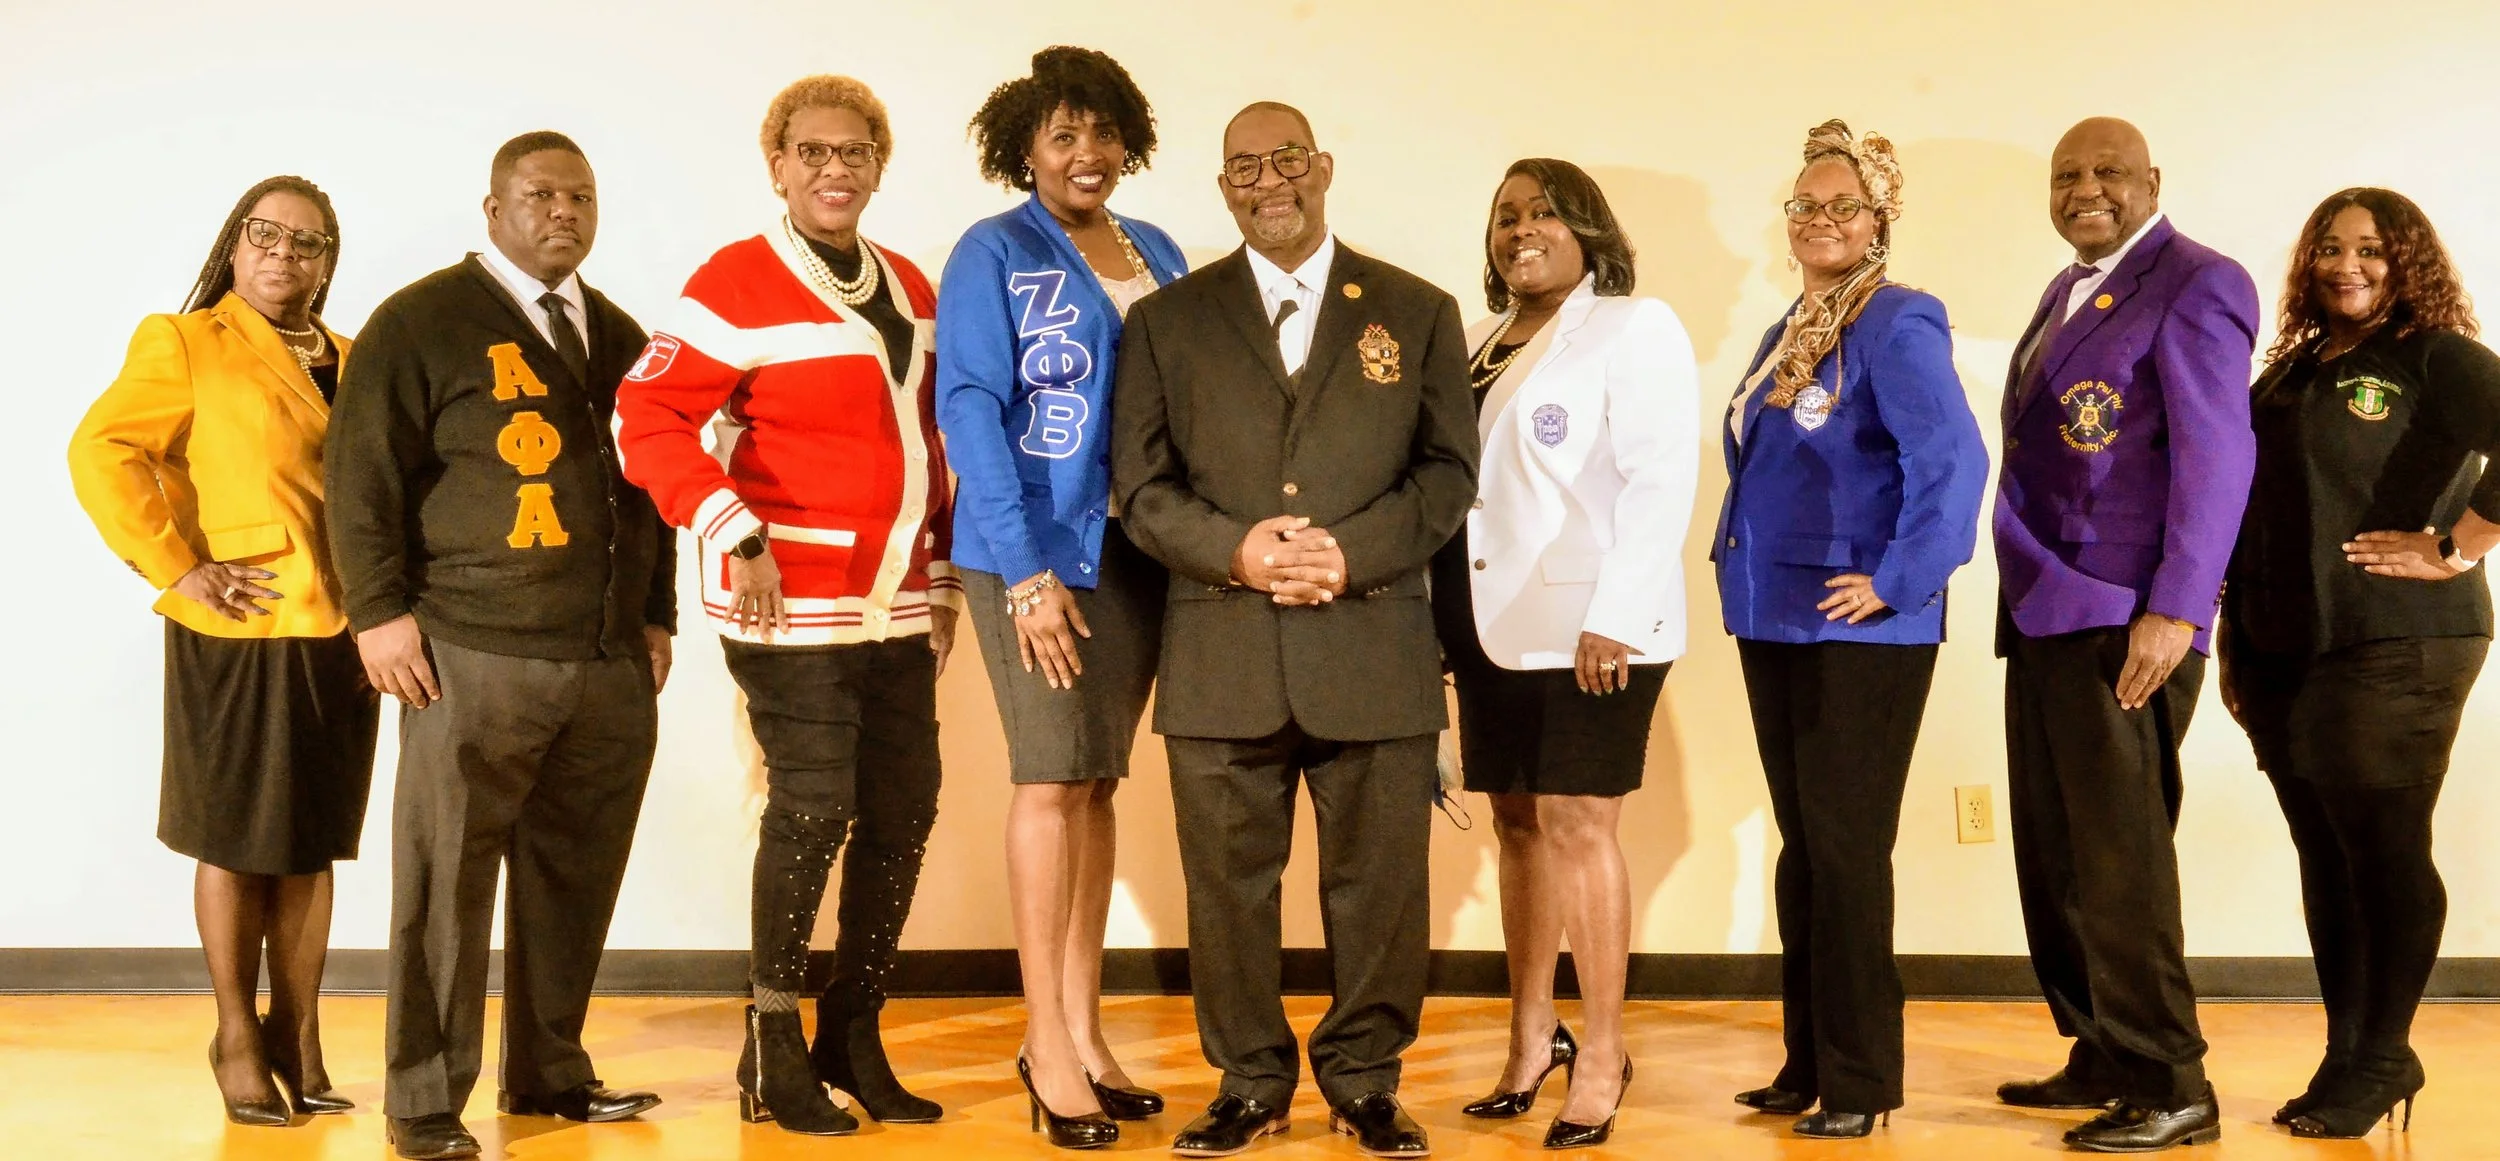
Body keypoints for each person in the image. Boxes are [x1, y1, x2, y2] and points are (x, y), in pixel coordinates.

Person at [1111, 100, 1476, 1160]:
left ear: (1321, 166)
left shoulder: (1415, 310)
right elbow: (1140, 486)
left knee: (1379, 887)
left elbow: (1449, 472)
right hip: (1220, 648)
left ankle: (1364, 1081)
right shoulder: (1166, 321)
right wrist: (1240, 550)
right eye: (1242, 169)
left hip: (1372, 644)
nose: (1267, 182)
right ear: (1223, 188)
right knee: (1227, 888)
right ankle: (1248, 1081)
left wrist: (1346, 553)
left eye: (1284, 161)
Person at [614, 75, 959, 1139]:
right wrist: (731, 528)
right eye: (811, 152)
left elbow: (932, 438)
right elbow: (647, 415)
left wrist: (940, 577)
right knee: (812, 811)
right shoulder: (736, 281)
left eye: (854, 152)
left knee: (903, 813)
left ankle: (852, 1032)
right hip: (786, 605)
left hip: (896, 608)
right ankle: (770, 1043)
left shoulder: (909, 283)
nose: (834, 170)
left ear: (877, 165)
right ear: (777, 166)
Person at [326, 132, 676, 1161]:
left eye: (580, 195)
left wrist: (655, 615)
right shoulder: (420, 322)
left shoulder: (614, 334)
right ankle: (425, 1099)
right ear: (493, 210)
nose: (562, 211)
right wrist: (378, 614)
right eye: (539, 194)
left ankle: (551, 1072)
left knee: (576, 875)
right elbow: (362, 476)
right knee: (444, 883)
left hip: (606, 660)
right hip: (468, 652)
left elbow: (648, 488)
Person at [69, 176, 377, 1128]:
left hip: (344, 628)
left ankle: (298, 1029)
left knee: (310, 845)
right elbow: (101, 448)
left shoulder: (358, 355)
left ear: (328, 261)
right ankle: (235, 1034)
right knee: (240, 840)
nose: (286, 253)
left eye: (308, 242)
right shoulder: (186, 339)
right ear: (235, 244)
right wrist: (179, 564)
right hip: (241, 626)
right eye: (267, 234)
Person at [935, 46, 1190, 1150]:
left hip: (1136, 554)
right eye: (1061, 135)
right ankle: (1045, 1045)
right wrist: (1025, 570)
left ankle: (1083, 1032)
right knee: (1048, 779)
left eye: (1100, 132)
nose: (1085, 155)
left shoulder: (1161, 248)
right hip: (1031, 553)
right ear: (1023, 149)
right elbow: (969, 404)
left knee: (1093, 785)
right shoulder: (992, 250)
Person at [1714, 122, 1988, 1140]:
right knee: (1806, 850)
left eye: (1842, 206)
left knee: (1845, 849)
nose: (1820, 220)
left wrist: (1899, 578)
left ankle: (1862, 1080)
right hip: (1773, 614)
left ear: (1879, 221)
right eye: (1804, 205)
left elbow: (1951, 462)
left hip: (1858, 630)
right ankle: (1807, 1059)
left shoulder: (1896, 320)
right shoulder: (1792, 322)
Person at [1991, 117, 2258, 1153]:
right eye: (2067, 174)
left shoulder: (2196, 280)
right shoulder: (2065, 291)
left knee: (2119, 857)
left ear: (2153, 181)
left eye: (2108, 172)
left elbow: (2216, 455)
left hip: (2124, 614)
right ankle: (2101, 1047)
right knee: (2055, 849)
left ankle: (2169, 1080)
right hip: (2044, 605)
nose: (2085, 189)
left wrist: (2179, 607)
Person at [2219, 187, 2499, 1139]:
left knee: (2381, 846)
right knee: (2325, 854)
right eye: (2330, 248)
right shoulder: (2291, 371)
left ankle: (2384, 1052)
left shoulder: (2434, 354)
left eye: (2373, 249)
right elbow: (2251, 511)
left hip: (2401, 641)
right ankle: (2350, 1051)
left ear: (2407, 258)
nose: (2348, 264)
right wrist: (2236, 640)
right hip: (2285, 651)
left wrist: (2456, 545)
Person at [1437, 158, 1697, 1150]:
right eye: (1505, 216)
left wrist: (1619, 613)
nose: (1520, 231)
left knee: (1580, 823)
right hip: (1487, 621)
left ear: (1587, 228)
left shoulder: (1634, 328)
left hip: (1593, 626)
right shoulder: (1475, 341)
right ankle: (1528, 1036)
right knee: (1514, 824)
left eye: (1543, 212)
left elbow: (1658, 478)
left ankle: (1598, 1051)